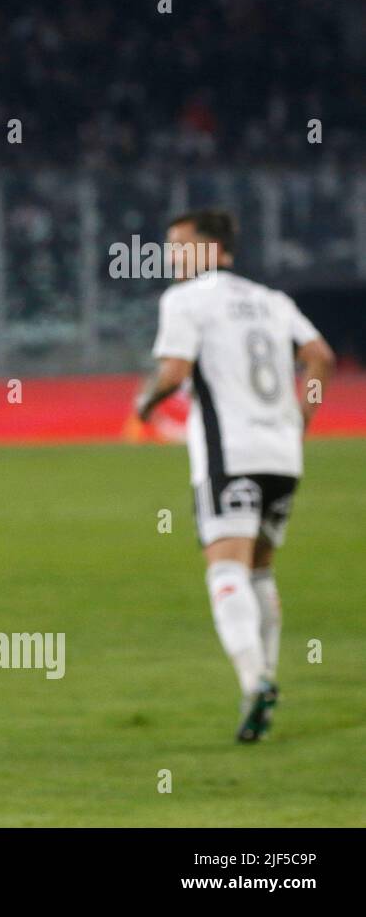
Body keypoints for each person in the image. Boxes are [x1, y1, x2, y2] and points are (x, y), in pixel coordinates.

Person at [137, 209, 335, 742]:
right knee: (260, 571)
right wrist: (305, 413)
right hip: (283, 454)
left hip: (231, 456)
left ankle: (255, 680)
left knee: (225, 568)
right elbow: (320, 357)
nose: (171, 257)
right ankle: (264, 682)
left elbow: (174, 372)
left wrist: (145, 404)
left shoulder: (185, 300)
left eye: (178, 246)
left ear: (209, 248)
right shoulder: (272, 300)